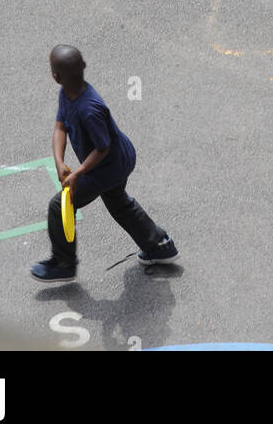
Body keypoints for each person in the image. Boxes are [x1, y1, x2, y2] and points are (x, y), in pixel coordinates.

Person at [30, 45, 178, 282]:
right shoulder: (67, 93)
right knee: (118, 203)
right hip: (117, 159)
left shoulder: (89, 109)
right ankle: (160, 246)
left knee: (60, 206)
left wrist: (77, 173)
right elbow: (60, 127)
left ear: (56, 76)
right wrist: (58, 162)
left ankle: (64, 263)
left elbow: (103, 147)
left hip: (108, 166)